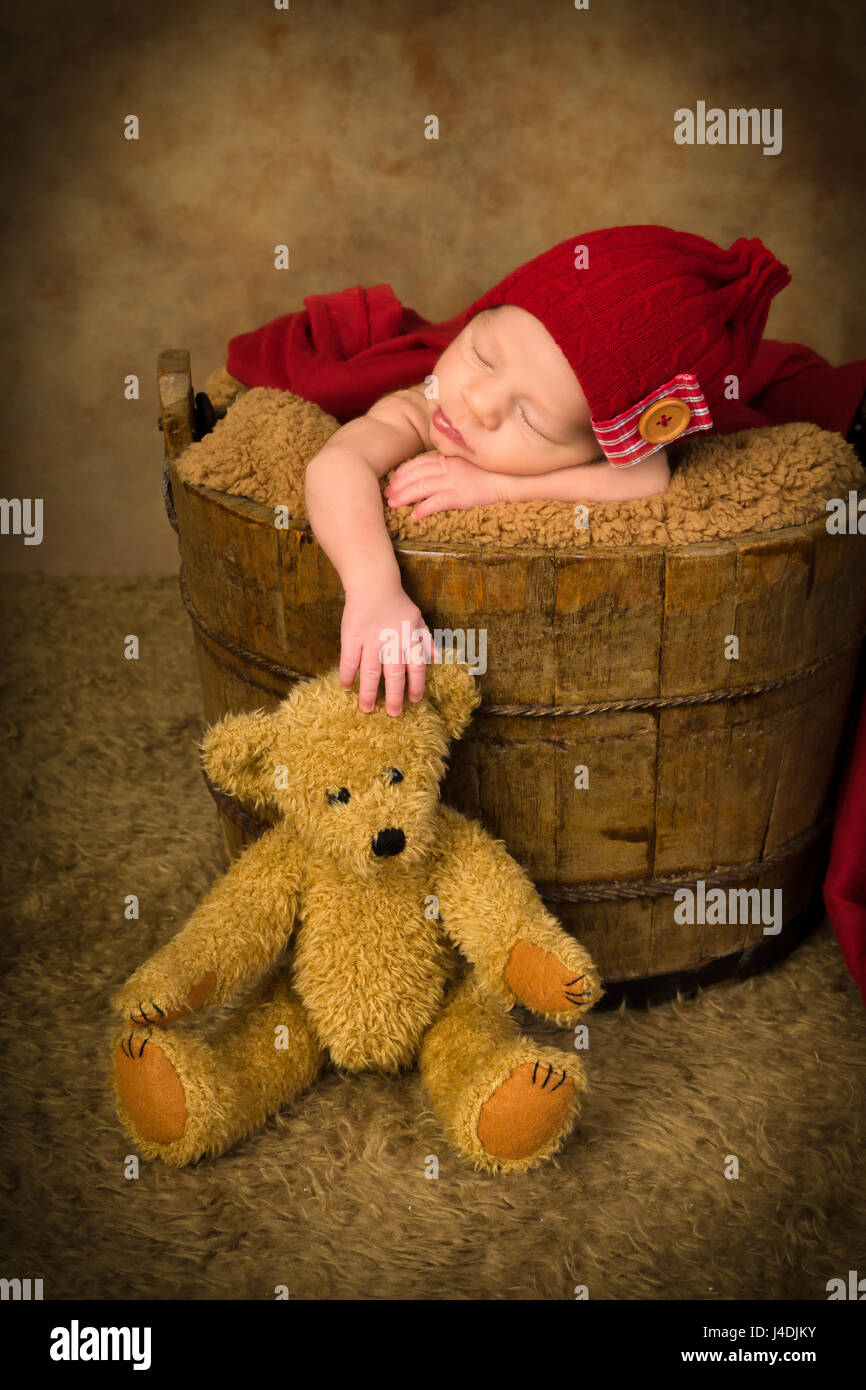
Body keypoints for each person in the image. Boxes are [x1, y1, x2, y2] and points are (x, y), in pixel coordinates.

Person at [224, 225, 865, 717]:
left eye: (531, 423)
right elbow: (336, 465)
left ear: (597, 448)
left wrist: (495, 485)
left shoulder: (624, 453)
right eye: (481, 354)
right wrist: (373, 590)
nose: (476, 401)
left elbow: (648, 479)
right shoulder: (419, 409)